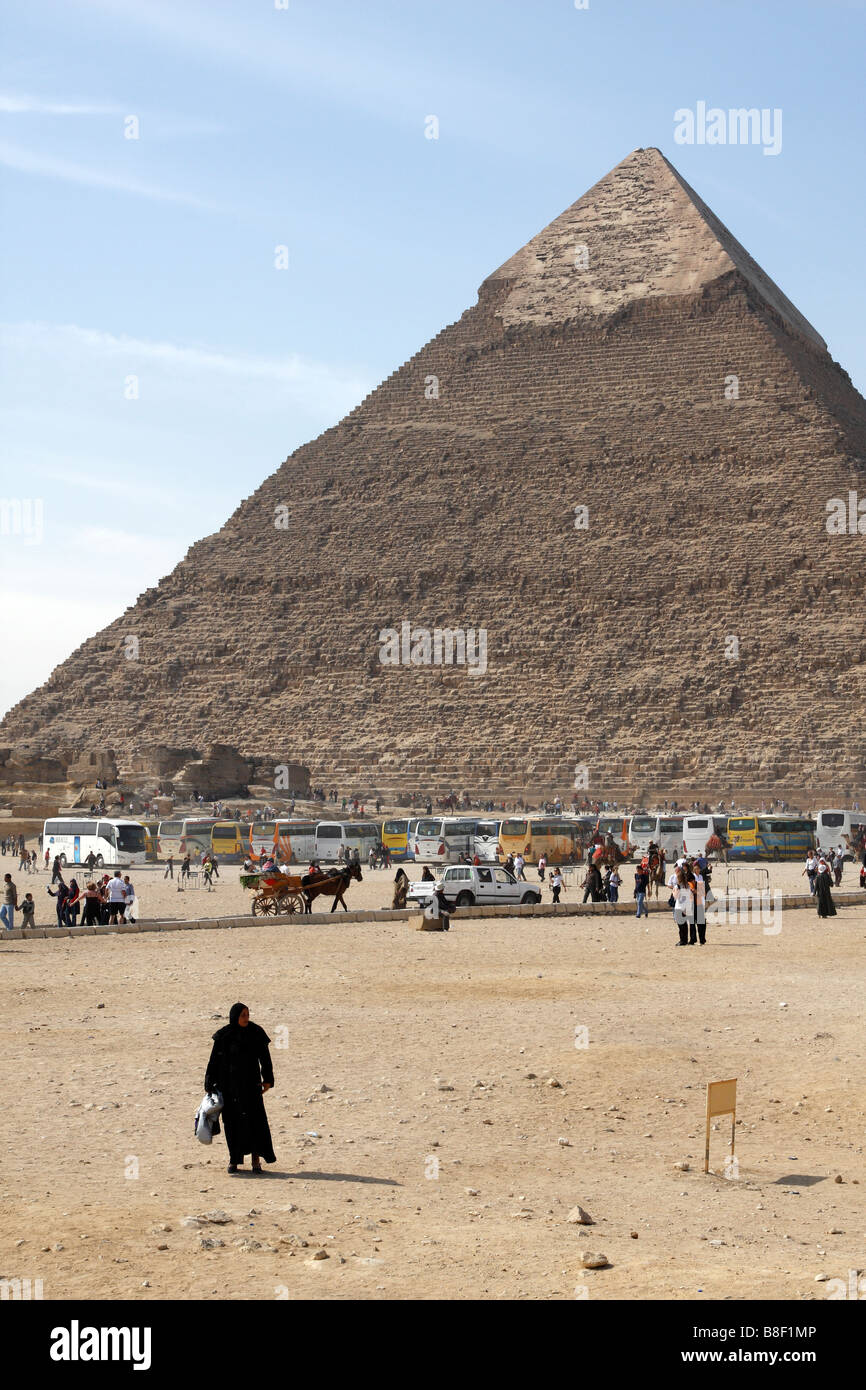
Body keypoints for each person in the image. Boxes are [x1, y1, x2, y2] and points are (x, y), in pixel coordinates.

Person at [204, 1002, 276, 1174]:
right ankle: (234, 1160)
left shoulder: (256, 1033)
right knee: (232, 1124)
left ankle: (256, 1161)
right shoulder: (224, 1036)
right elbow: (213, 1060)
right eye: (243, 1015)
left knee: (255, 1123)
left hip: (252, 1086)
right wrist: (209, 1083)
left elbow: (265, 1058)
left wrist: (268, 1080)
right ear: (235, 1016)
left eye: (247, 1014)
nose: (246, 1018)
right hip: (229, 1088)